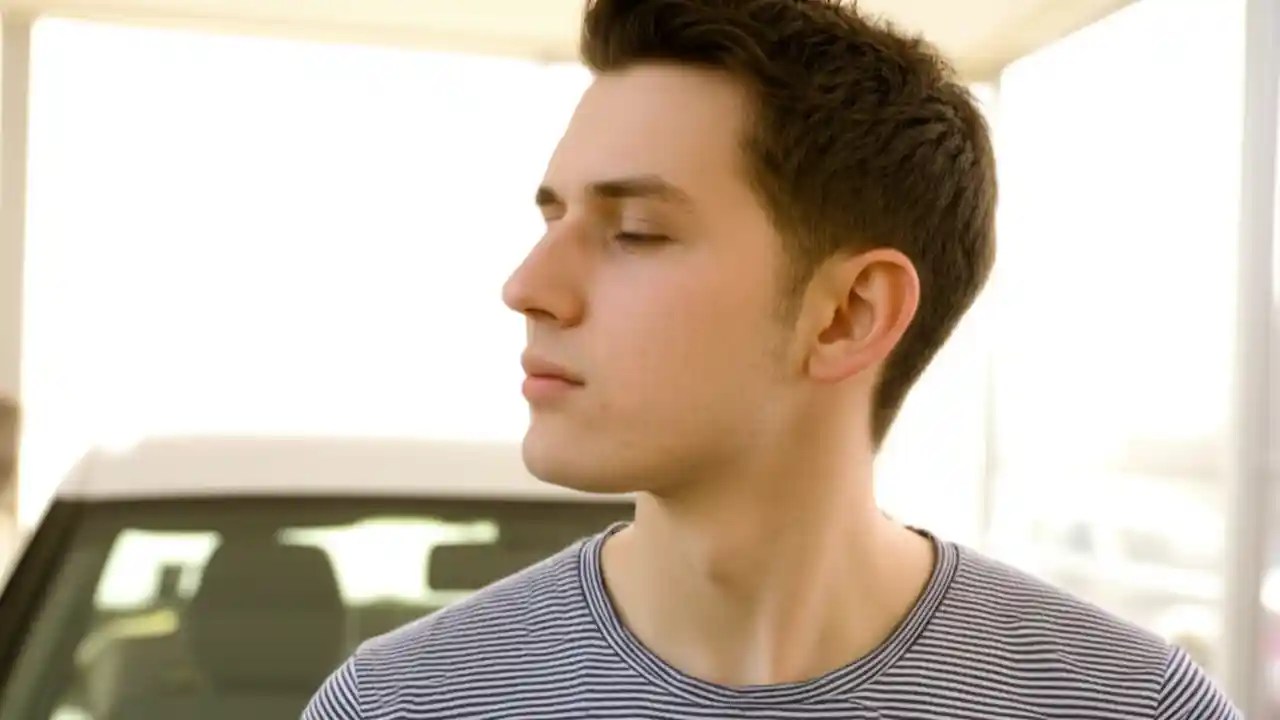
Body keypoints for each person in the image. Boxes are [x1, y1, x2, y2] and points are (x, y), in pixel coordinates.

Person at [304, 1, 1240, 717]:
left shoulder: (1129, 703)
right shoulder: (401, 702)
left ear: (846, 316)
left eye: (634, 232)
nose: (528, 285)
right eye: (553, 218)